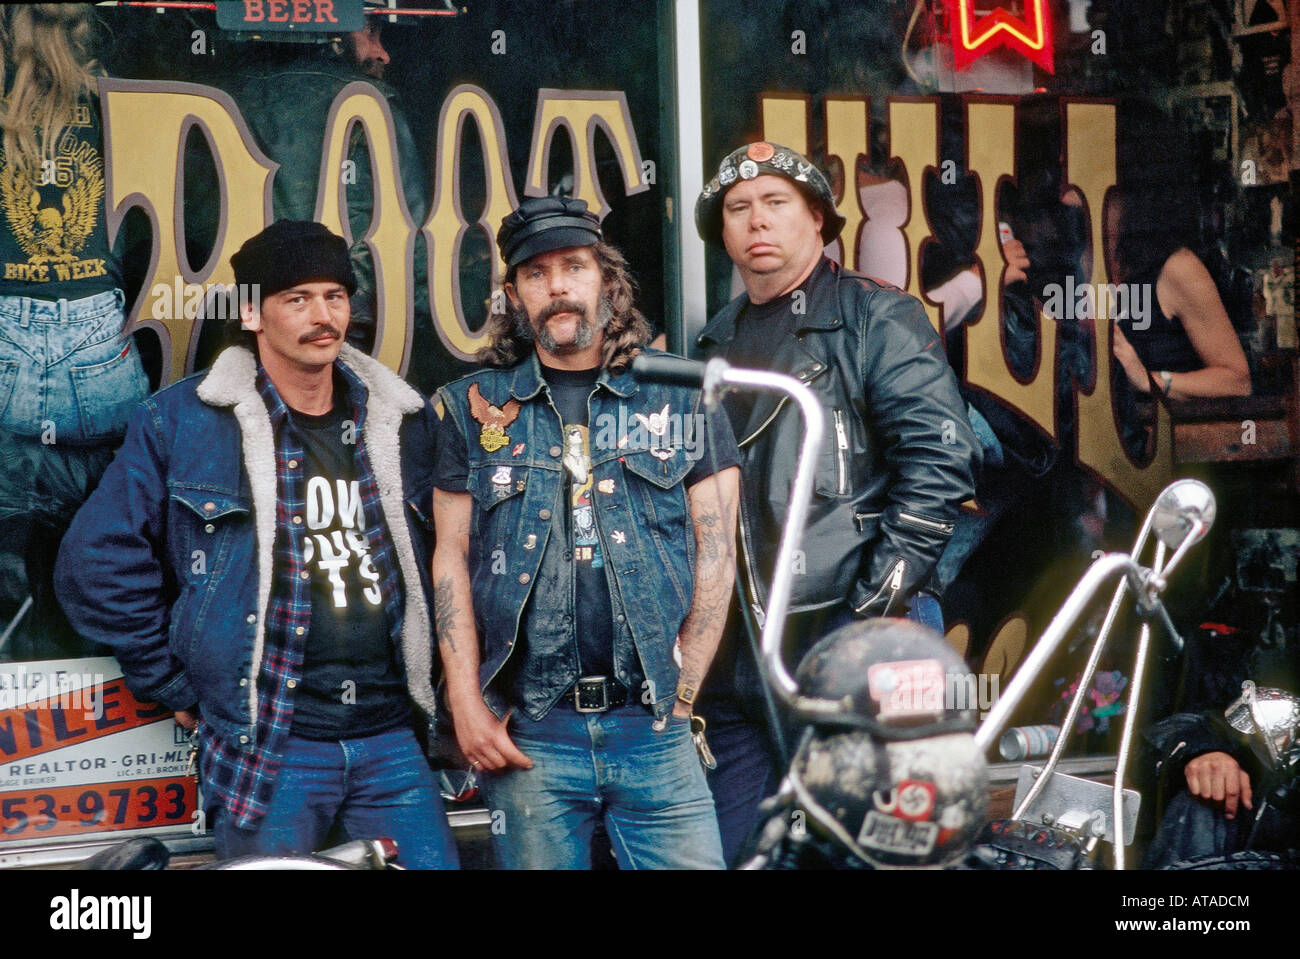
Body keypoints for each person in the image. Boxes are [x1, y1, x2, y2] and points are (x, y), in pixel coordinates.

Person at [54, 220, 457, 868]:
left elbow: (452, 562)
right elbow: (92, 563)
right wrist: (176, 683)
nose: (322, 316)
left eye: (334, 295)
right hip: (270, 741)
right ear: (252, 311)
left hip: (391, 737)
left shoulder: (396, 421)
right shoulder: (185, 421)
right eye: (296, 298)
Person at [692, 142, 980, 864]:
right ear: (721, 232)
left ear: (818, 218)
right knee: (744, 850)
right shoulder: (712, 341)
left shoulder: (878, 315)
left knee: (885, 847)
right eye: (738, 208)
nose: (756, 220)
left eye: (776, 202)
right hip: (747, 657)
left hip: (869, 633)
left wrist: (869, 614)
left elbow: (939, 464)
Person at [432, 196, 739, 869]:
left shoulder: (682, 396)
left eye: (574, 266)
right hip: (534, 730)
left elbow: (717, 550)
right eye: (535, 274)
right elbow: (450, 557)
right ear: (512, 294)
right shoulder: (468, 408)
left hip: (653, 725)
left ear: (607, 279)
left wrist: (681, 693)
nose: (558, 287)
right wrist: (464, 701)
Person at [0, 3, 150, 660]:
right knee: (97, 553)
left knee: (11, 554)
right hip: (99, 347)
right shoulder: (121, 103)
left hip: (8, 344)